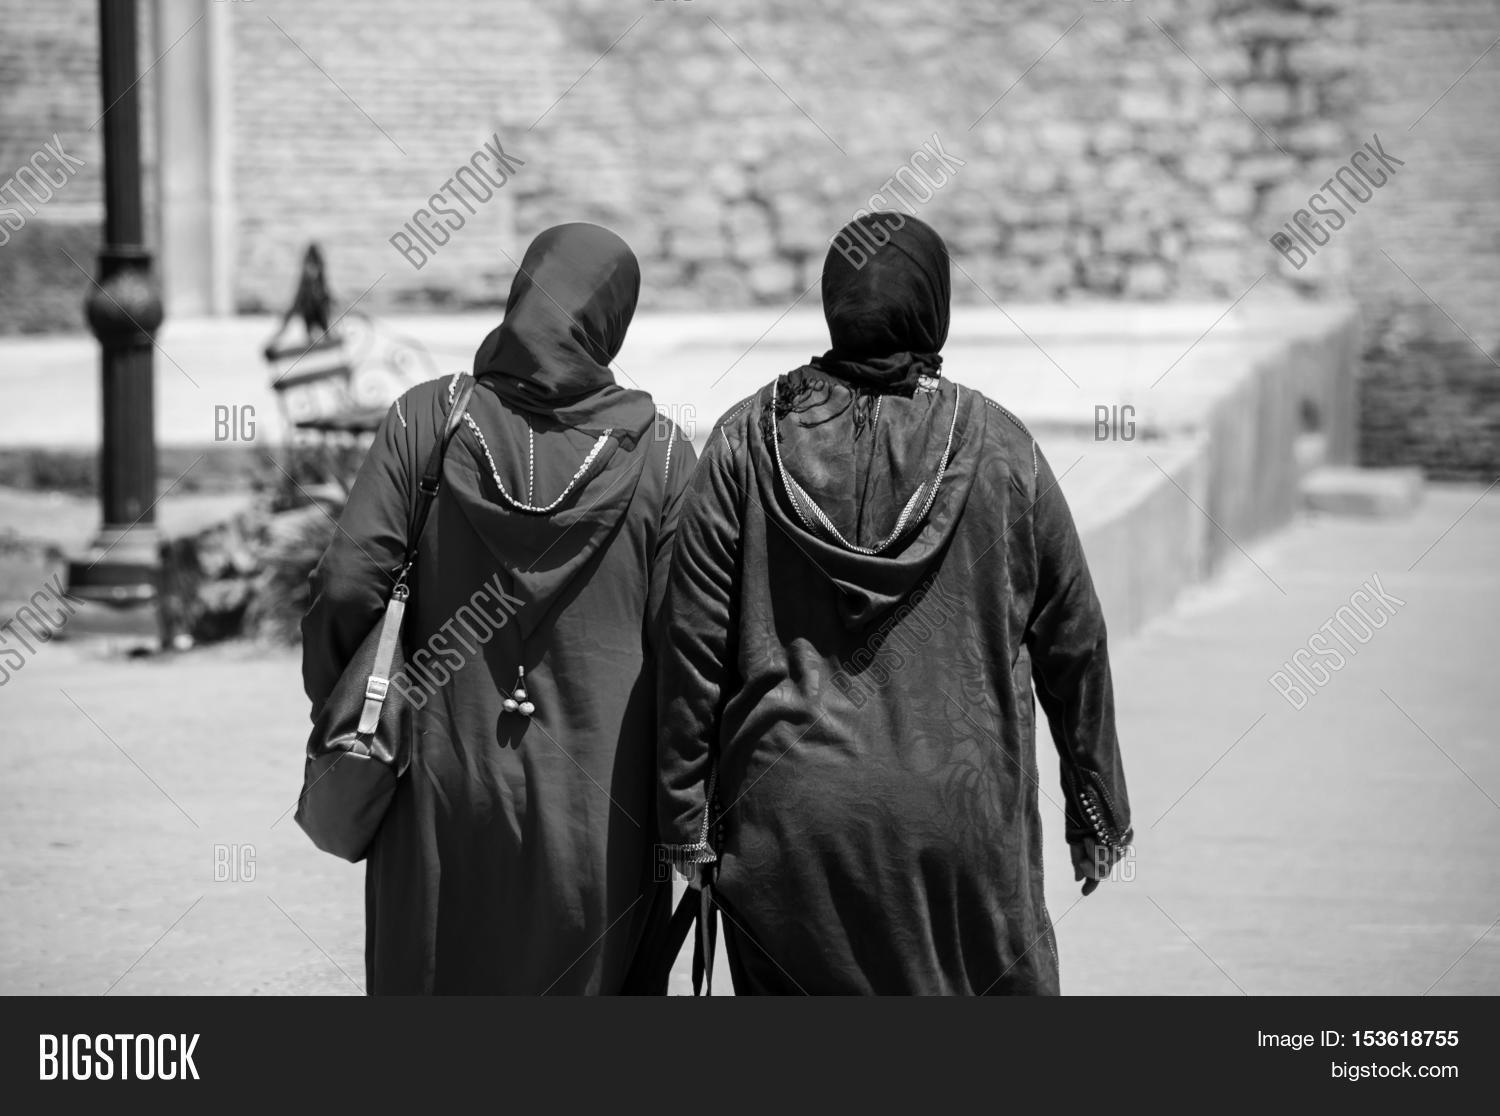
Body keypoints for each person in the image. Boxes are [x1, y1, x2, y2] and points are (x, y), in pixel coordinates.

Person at [656, 214, 1131, 995]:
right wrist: (1096, 807)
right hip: (961, 819)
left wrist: (682, 821)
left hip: (788, 827)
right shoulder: (1004, 448)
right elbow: (1073, 640)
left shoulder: (742, 441)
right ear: (933, 303)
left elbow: (693, 645)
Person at [302, 223, 696, 994]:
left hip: (436, 791)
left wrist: (344, 702)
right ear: (613, 320)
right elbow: (690, 650)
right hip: (600, 817)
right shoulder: (664, 456)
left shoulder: (427, 420)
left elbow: (347, 584)